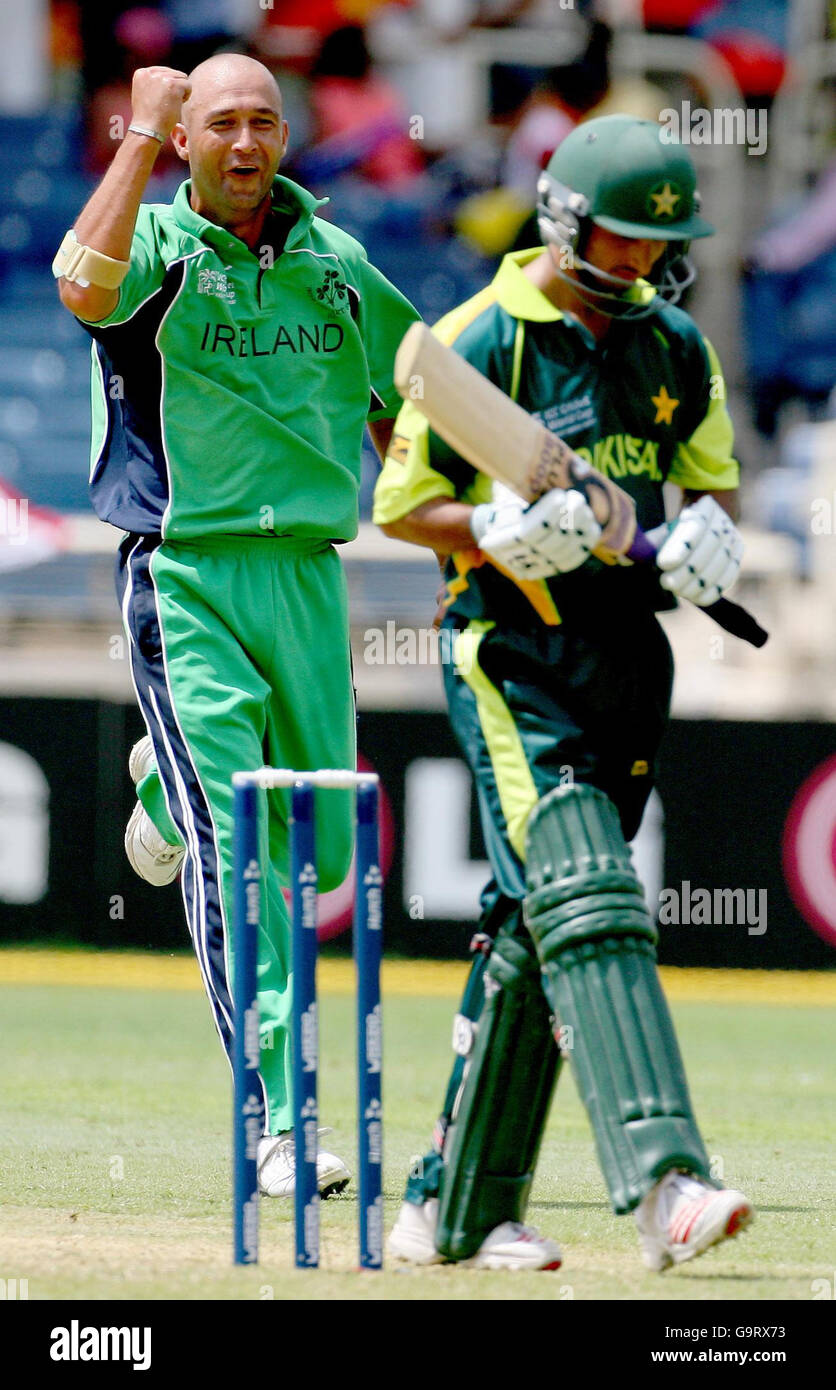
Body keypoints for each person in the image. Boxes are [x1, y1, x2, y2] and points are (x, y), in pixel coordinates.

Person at [373, 115, 754, 1271]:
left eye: (656, 244)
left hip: (630, 654)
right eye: (622, 238)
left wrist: (703, 544)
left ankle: (450, 1206)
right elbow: (400, 506)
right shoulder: (474, 339)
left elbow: (708, 488)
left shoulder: (676, 346)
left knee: (538, 926)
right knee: (587, 890)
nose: (639, 262)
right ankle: (663, 1181)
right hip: (509, 652)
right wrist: (487, 531)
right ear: (563, 218)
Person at [54, 54, 419, 1200]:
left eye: (265, 120)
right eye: (220, 125)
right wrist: (135, 134)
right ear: (186, 139)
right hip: (187, 572)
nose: (247, 142)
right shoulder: (157, 254)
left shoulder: (336, 264)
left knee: (314, 847)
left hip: (307, 578)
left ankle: (161, 787)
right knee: (238, 846)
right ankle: (276, 1118)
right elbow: (77, 286)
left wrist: (462, 530)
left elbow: (406, 402)